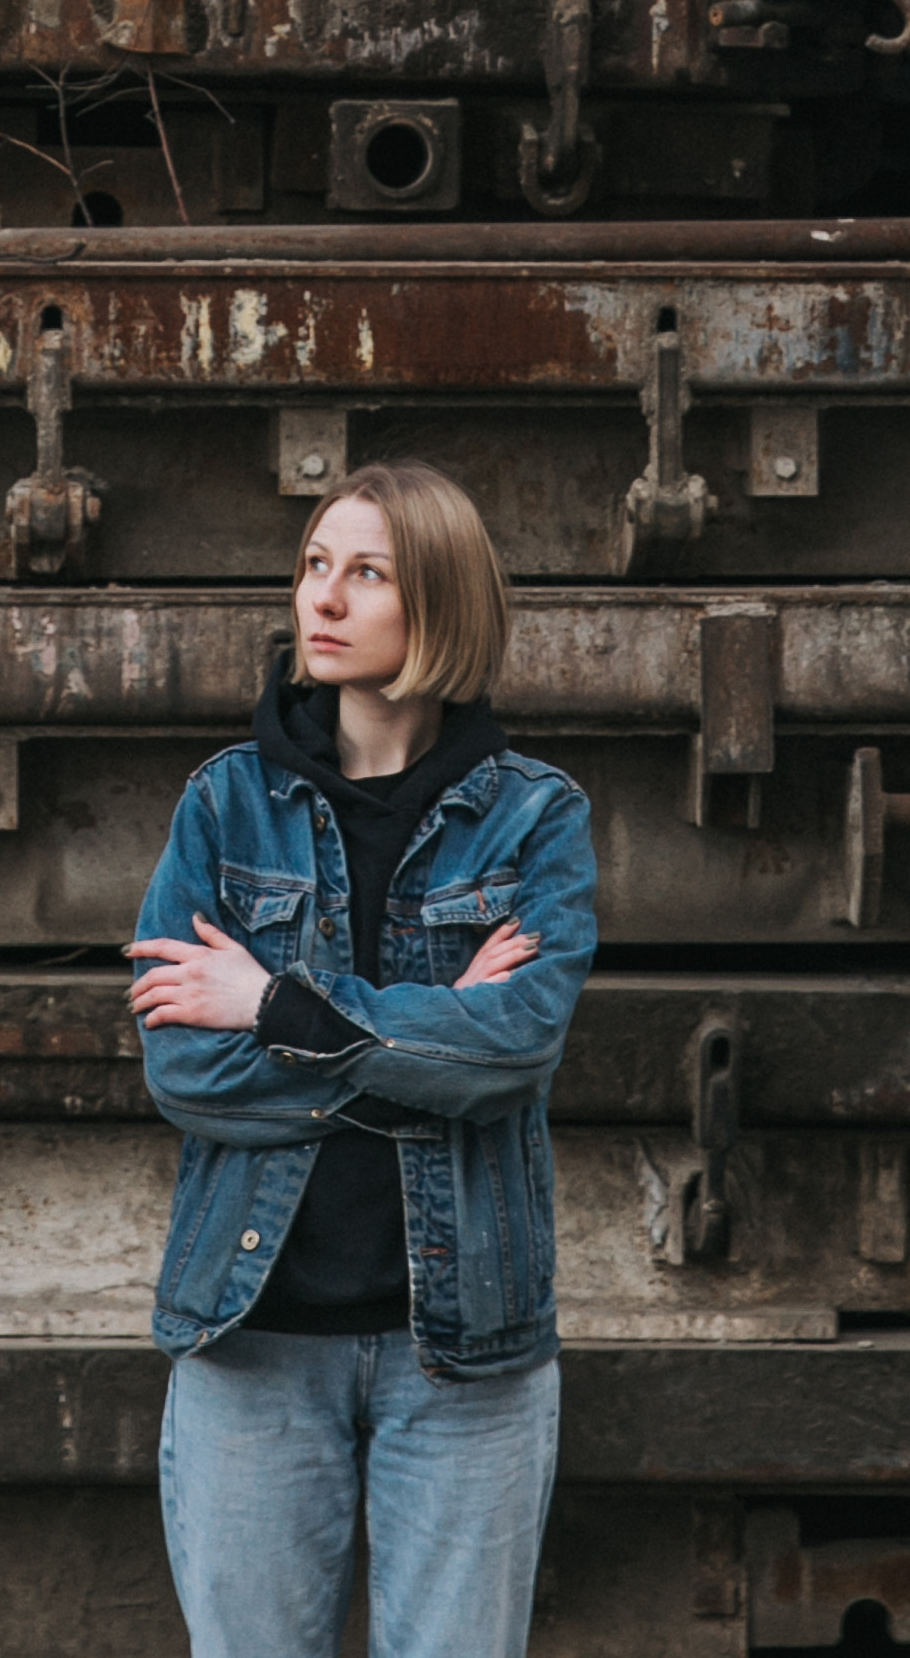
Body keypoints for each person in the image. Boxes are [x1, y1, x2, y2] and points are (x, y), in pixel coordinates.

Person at [128, 457, 596, 1658]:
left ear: (437, 606)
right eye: (313, 565)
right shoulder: (224, 806)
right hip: (253, 1342)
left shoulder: (535, 818)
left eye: (366, 572)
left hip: (465, 1361)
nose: (321, 600)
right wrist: (423, 1051)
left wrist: (273, 1003)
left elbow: (517, 1047)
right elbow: (184, 1072)